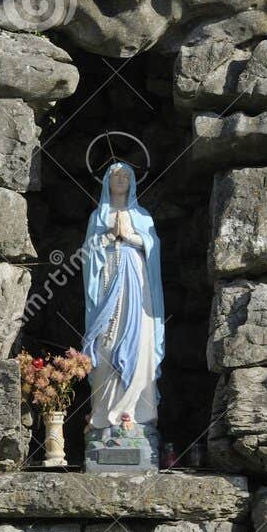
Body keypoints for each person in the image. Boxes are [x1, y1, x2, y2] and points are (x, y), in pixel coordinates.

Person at [80, 161, 165, 464]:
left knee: (140, 346)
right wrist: (105, 239)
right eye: (116, 175)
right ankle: (103, 417)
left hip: (138, 292)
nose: (121, 180)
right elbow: (87, 257)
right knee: (105, 344)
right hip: (107, 288)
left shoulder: (142, 216)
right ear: (107, 181)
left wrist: (131, 236)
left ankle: (138, 416)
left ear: (133, 183)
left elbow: (153, 251)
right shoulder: (98, 216)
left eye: (126, 176)